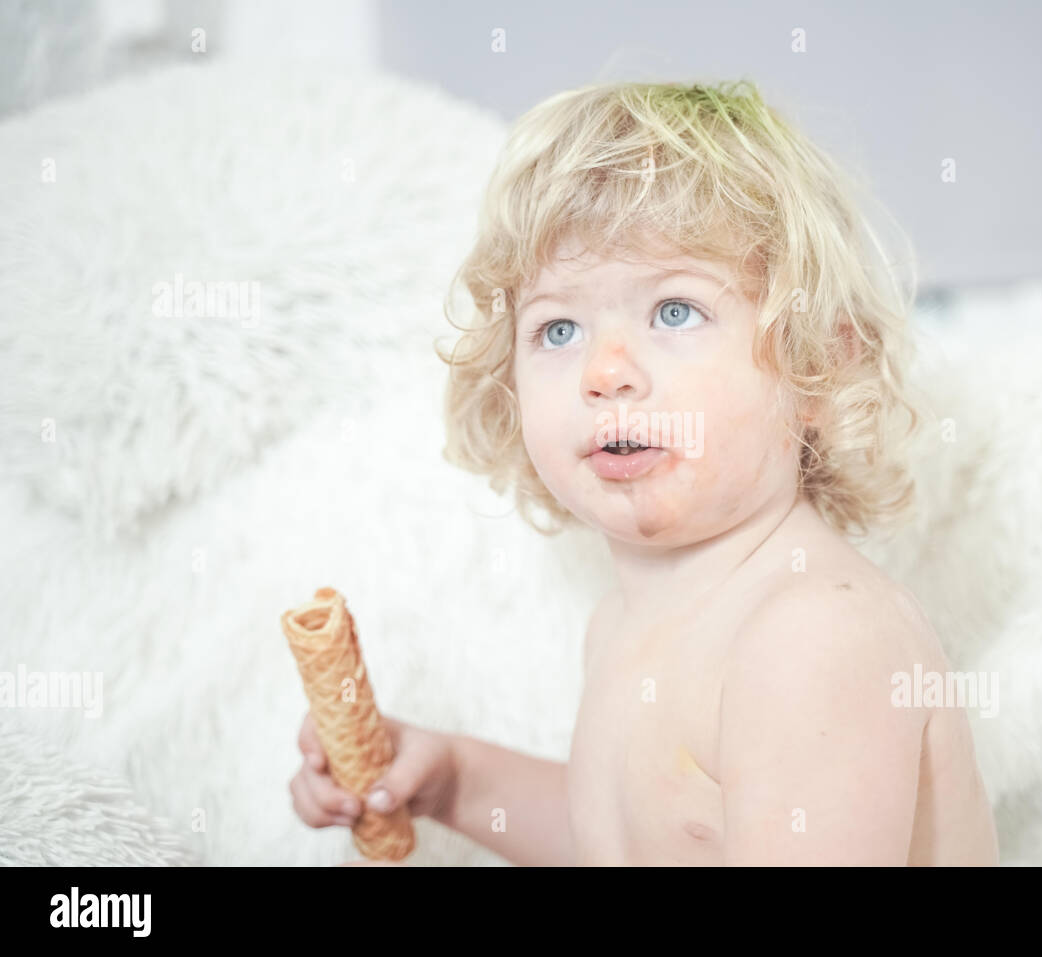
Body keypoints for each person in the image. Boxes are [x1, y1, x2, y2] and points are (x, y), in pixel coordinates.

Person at [291, 79, 998, 866]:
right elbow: (628, 838)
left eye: (674, 311)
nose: (606, 369)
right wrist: (457, 781)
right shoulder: (622, 626)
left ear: (817, 367)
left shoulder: (813, 637)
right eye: (558, 327)